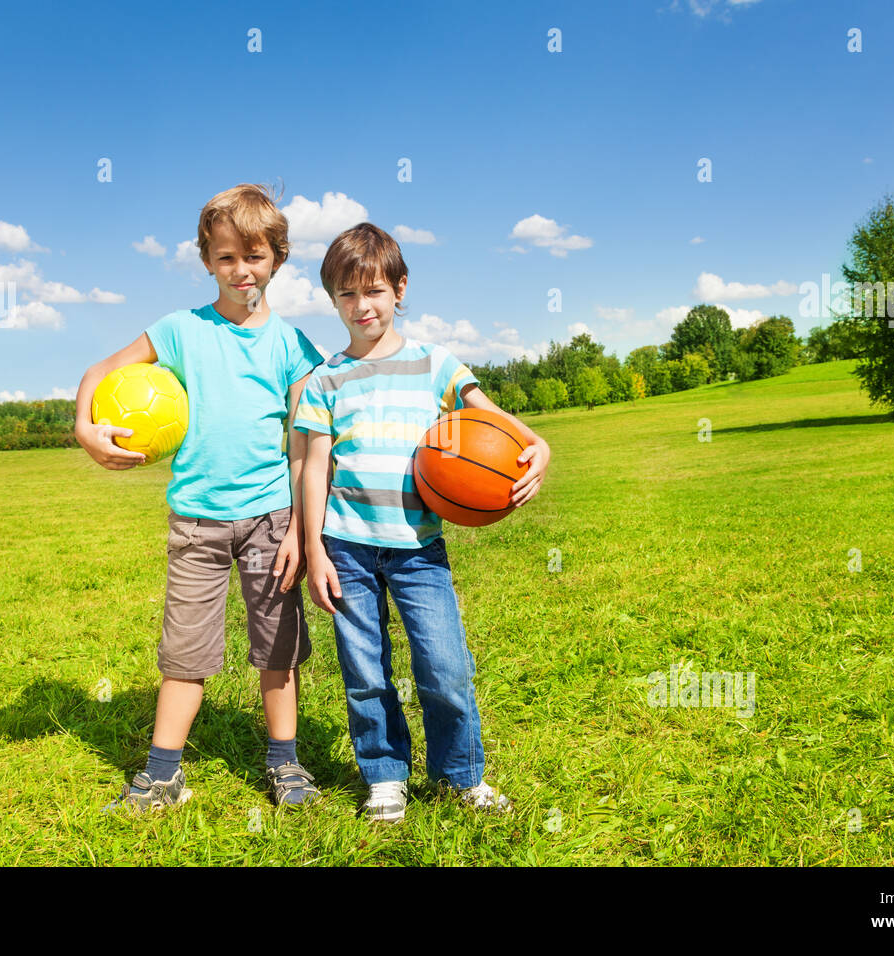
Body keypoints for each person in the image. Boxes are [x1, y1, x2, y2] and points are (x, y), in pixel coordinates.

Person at [74, 184, 325, 811]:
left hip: (273, 519)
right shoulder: (180, 330)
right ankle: (163, 774)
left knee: (278, 648)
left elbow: (307, 441)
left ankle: (286, 764)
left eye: (256, 256)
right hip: (197, 521)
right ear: (207, 260)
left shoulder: (293, 346)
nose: (242, 271)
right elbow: (98, 372)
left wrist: (299, 525)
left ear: (278, 258)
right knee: (183, 652)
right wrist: (85, 426)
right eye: (226, 258)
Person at [294, 222, 550, 823]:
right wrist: (315, 550)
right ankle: (384, 776)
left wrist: (539, 444)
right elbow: (312, 471)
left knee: (444, 668)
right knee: (364, 672)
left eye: (375, 291)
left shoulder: (435, 364)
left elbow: (492, 419)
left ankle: (462, 776)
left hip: (418, 549)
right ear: (333, 300)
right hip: (347, 548)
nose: (362, 306)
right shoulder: (324, 380)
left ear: (400, 289)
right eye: (348, 295)